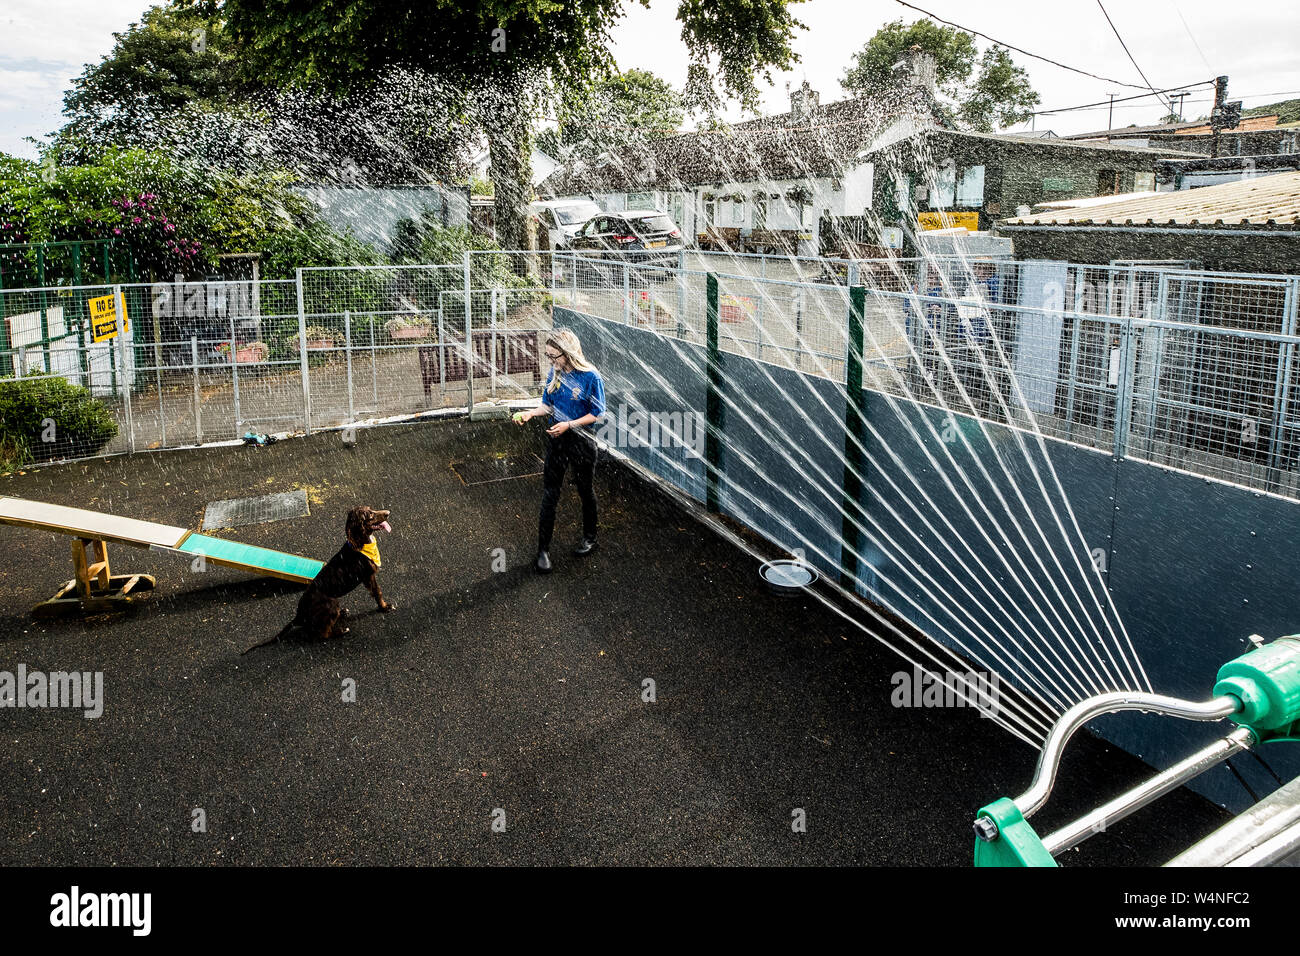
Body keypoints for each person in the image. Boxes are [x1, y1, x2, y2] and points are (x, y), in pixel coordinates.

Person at [514, 328, 607, 573]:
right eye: (548, 355)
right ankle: (543, 551)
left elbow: (597, 414)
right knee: (550, 494)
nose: (551, 360)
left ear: (568, 353)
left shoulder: (591, 377)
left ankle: (590, 538)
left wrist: (569, 425)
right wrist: (530, 413)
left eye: (554, 356)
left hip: (582, 441)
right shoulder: (554, 373)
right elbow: (548, 406)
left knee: (585, 490)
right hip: (557, 440)